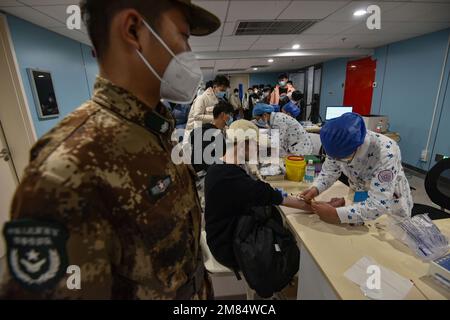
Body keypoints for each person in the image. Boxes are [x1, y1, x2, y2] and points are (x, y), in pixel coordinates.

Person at [0, 0, 221, 300]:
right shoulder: (66, 169)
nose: (188, 52)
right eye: (183, 36)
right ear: (133, 30)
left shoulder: (156, 131)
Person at [204, 120, 345, 269]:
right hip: (229, 248)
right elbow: (277, 197)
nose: (258, 150)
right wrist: (325, 207)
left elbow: (267, 193)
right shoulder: (234, 179)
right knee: (290, 250)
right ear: (244, 144)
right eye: (256, 145)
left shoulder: (218, 167)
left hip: (219, 237)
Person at [300, 113, 413, 225]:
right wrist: (316, 188)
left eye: (341, 158)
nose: (336, 160)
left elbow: (378, 203)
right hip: (360, 195)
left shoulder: (386, 153)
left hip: (389, 204)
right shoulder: (336, 142)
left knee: (387, 236)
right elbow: (330, 171)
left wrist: (336, 214)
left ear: (358, 148)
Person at [184, 75, 230, 143]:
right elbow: (197, 116)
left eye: (224, 91)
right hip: (194, 134)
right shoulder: (202, 98)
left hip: (207, 133)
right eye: (222, 90)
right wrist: (216, 118)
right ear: (214, 87)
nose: (223, 93)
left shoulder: (218, 100)